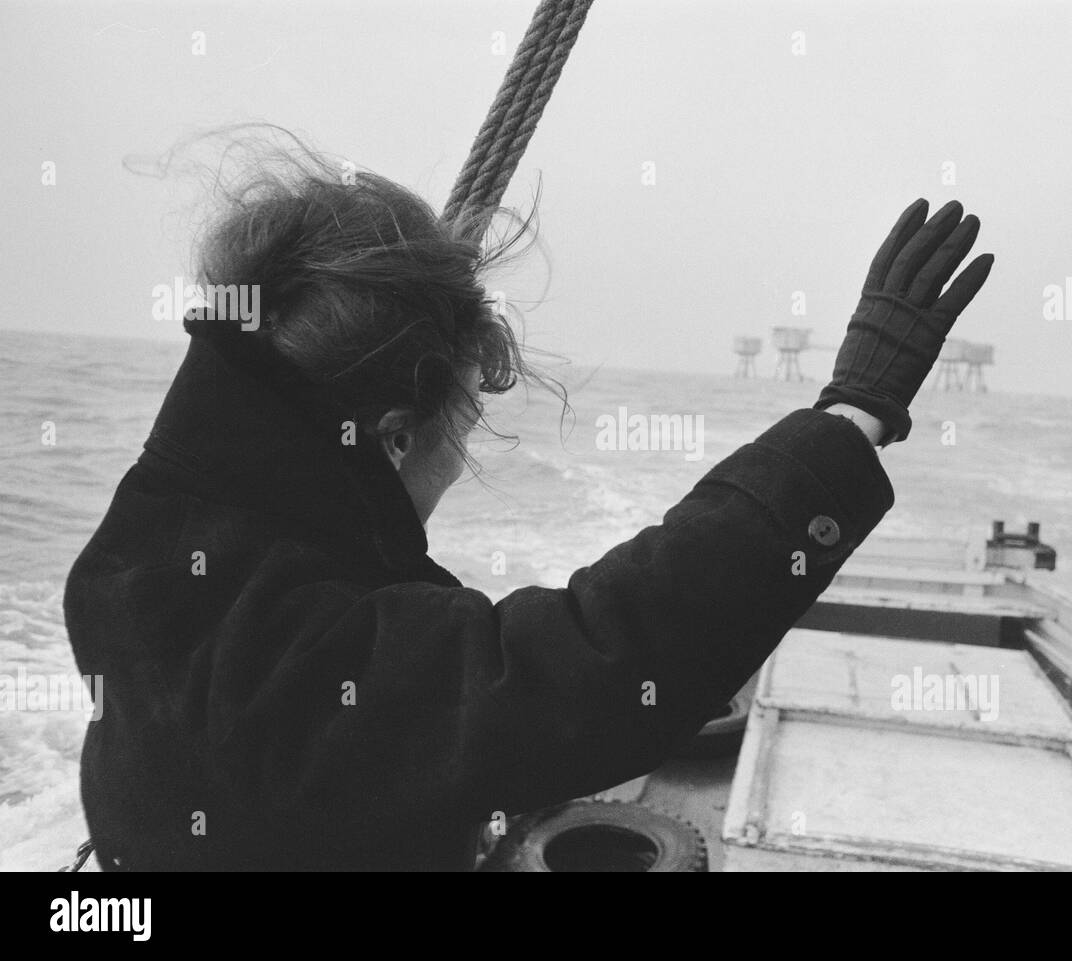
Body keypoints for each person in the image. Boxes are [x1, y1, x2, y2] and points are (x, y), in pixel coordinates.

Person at [64, 145, 993, 870]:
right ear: (392, 436)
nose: (458, 464)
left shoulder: (154, 544)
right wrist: (847, 422)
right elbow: (584, 660)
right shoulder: (280, 659)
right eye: (459, 429)